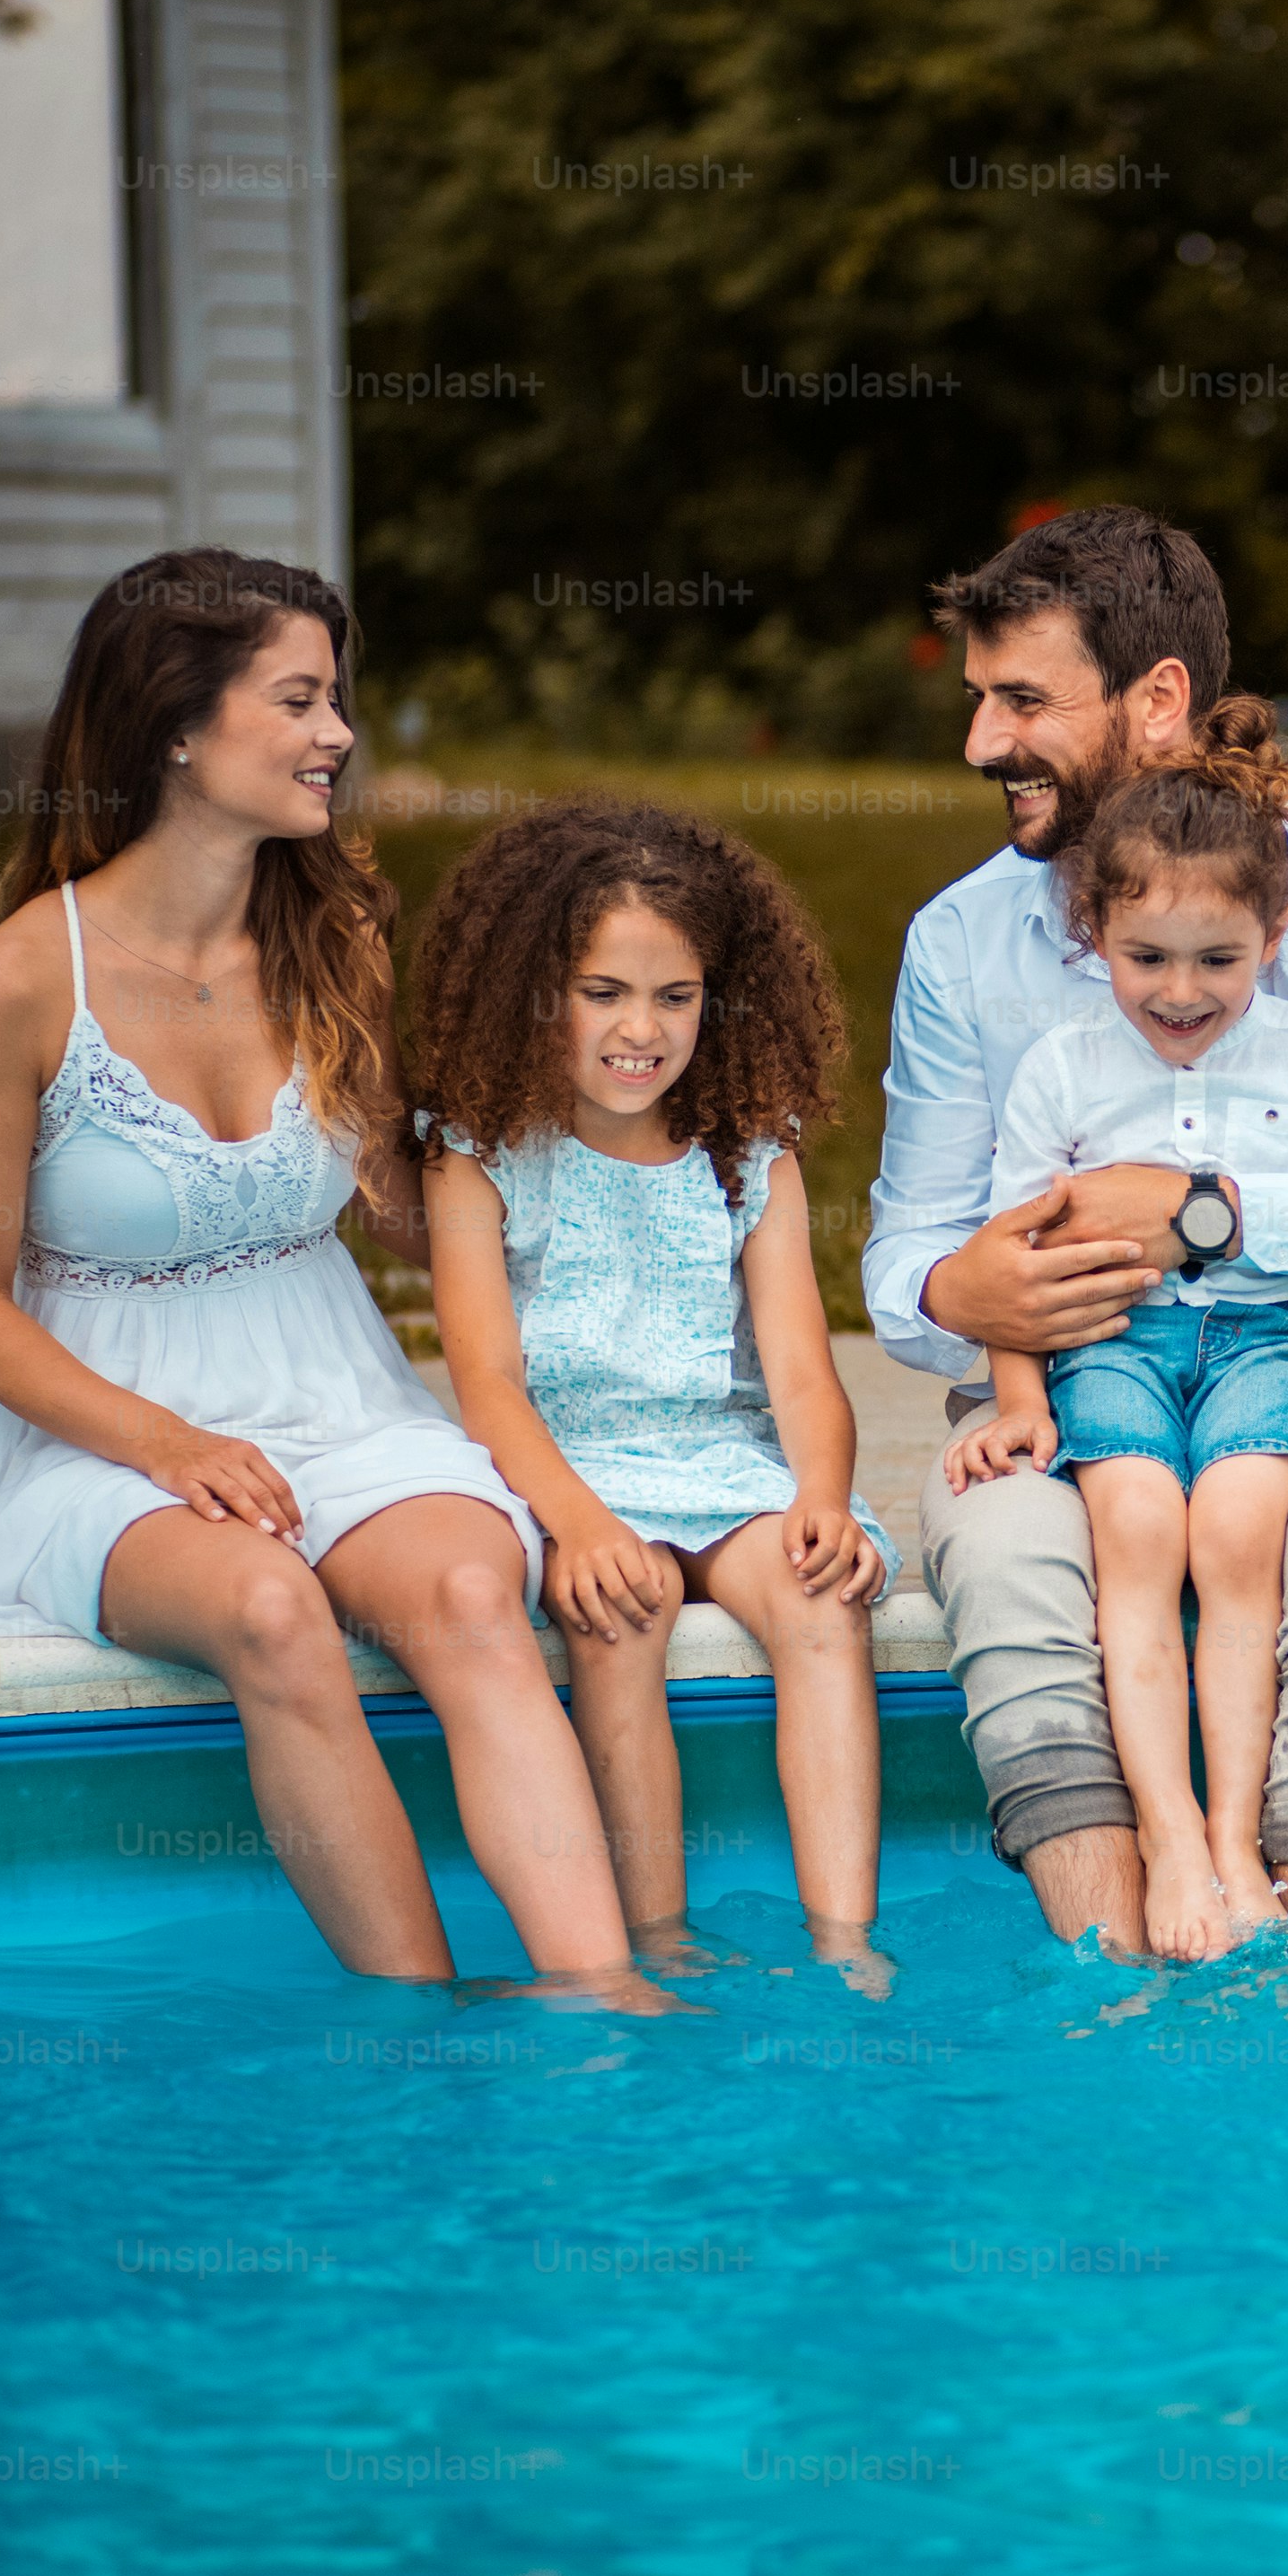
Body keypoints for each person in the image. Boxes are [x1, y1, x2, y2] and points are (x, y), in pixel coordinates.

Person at [0, 549, 644, 1995]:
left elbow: (389, 1201)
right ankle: (419, 2025)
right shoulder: (13, 982)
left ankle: (598, 2011)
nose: (338, 735)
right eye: (298, 700)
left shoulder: (329, 931)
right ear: (176, 727)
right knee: (267, 1607)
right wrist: (172, 1448)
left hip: (335, 1396)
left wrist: (604, 1195)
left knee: (482, 1596)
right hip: (110, 1439)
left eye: (335, 699)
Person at [866, 506, 1288, 1949]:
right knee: (1005, 1567)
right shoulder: (961, 941)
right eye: (979, 700)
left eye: (1021, 701)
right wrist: (967, 1289)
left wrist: (1208, 1220)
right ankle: (1116, 1972)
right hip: (1050, 1400)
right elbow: (904, 1261)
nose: (983, 742)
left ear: (1154, 700)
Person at [407, 799, 891, 1986]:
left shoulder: (744, 1152)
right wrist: (577, 1523)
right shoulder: (479, 1148)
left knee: (823, 1603)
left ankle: (844, 1940)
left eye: (674, 996)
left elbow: (797, 1367)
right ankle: (655, 1937)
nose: (641, 1028)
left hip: (719, 1465)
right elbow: (486, 1380)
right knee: (614, 1617)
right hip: (562, 1468)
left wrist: (820, 1494)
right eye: (603, 992)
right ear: (537, 992)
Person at [951, 725, 1288, 1958]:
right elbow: (1019, 1252)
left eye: (1220, 957)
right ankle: (1163, 1834)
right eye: (1146, 956)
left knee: (1239, 1530)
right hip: (1109, 1337)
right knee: (1140, 1529)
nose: (1181, 990)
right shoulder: (1061, 1068)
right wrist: (1016, 1402)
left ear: (1278, 929)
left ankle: (1233, 1838)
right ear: (1093, 933)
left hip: (1267, 1337)